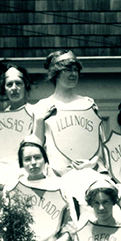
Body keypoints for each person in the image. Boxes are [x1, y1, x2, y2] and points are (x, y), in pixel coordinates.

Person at [33, 51, 107, 210]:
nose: (73, 74)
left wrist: (92, 163)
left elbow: (101, 144)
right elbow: (35, 147)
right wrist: (39, 121)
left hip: (87, 173)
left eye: (75, 70)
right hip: (56, 176)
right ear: (55, 74)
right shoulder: (42, 106)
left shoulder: (88, 104)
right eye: (67, 70)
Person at [0, 64, 41, 168]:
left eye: (18, 83)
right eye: (9, 84)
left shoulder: (36, 113)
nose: (14, 88)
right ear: (4, 89)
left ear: (26, 86)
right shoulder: (0, 120)